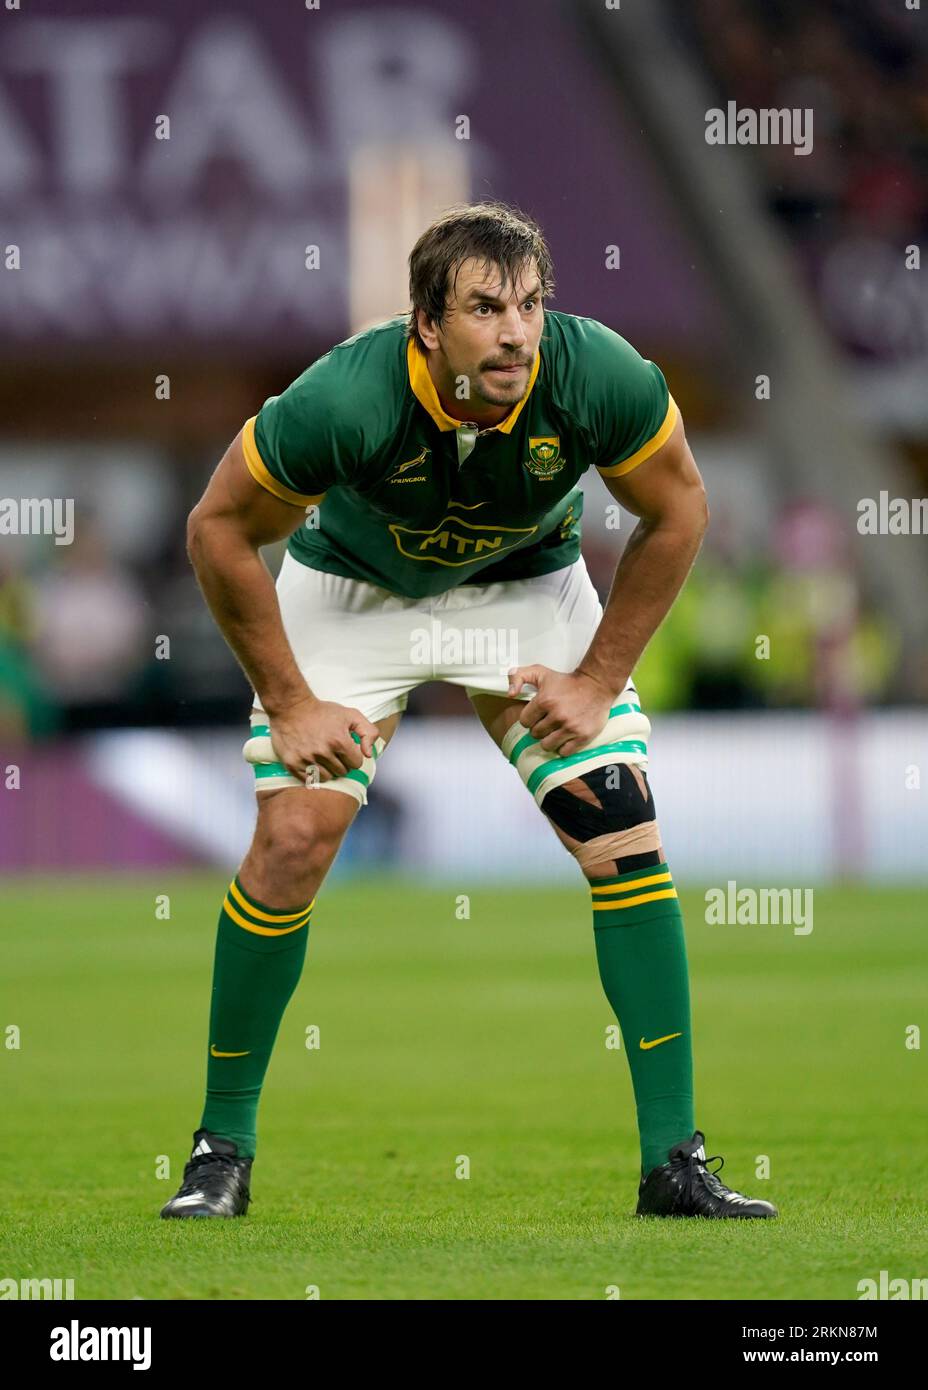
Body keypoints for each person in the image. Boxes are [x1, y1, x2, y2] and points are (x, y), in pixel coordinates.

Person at [161, 202, 777, 1221]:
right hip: (355, 590)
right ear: (426, 326)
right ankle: (219, 1150)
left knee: (619, 828)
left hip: (525, 592)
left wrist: (593, 680)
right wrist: (291, 700)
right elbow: (218, 530)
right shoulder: (344, 398)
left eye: (530, 304)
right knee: (293, 842)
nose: (516, 330)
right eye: (486, 307)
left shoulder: (600, 376)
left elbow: (680, 511)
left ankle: (675, 1162)